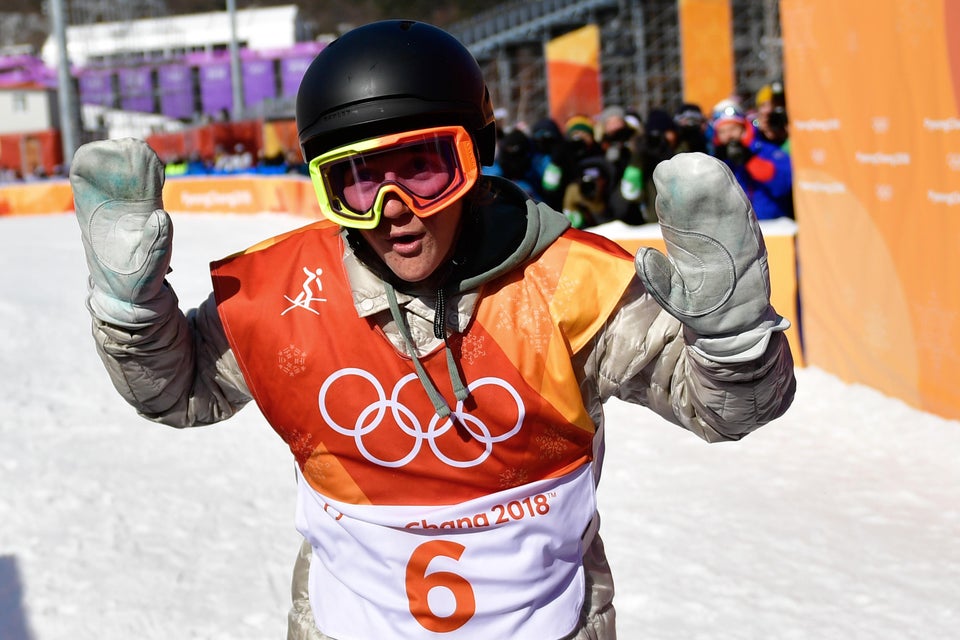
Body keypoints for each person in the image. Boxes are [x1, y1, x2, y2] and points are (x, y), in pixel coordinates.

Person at [69, 20, 796, 640]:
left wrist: (734, 345)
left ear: (473, 161)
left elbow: (727, 410)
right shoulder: (281, 296)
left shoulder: (569, 284)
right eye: (357, 180)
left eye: (423, 169)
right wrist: (134, 316)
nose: (392, 208)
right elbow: (180, 392)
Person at [710, 100, 794, 220]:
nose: (729, 135)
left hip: (771, 224)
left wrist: (750, 161)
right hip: (734, 227)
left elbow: (783, 185)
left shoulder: (765, 150)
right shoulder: (715, 160)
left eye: (733, 129)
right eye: (723, 132)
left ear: (744, 128)